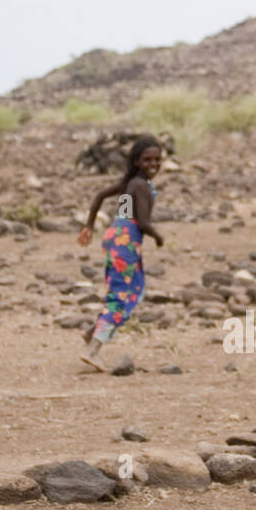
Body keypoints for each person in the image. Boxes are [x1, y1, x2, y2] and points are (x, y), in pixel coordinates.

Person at [77, 135, 164, 372]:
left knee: (134, 289)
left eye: (157, 159)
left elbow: (102, 198)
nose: (153, 164)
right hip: (125, 245)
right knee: (122, 298)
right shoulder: (140, 185)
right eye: (147, 159)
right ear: (136, 161)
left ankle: (92, 332)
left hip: (117, 239)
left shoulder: (129, 184)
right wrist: (157, 237)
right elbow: (143, 222)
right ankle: (92, 350)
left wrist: (89, 225)